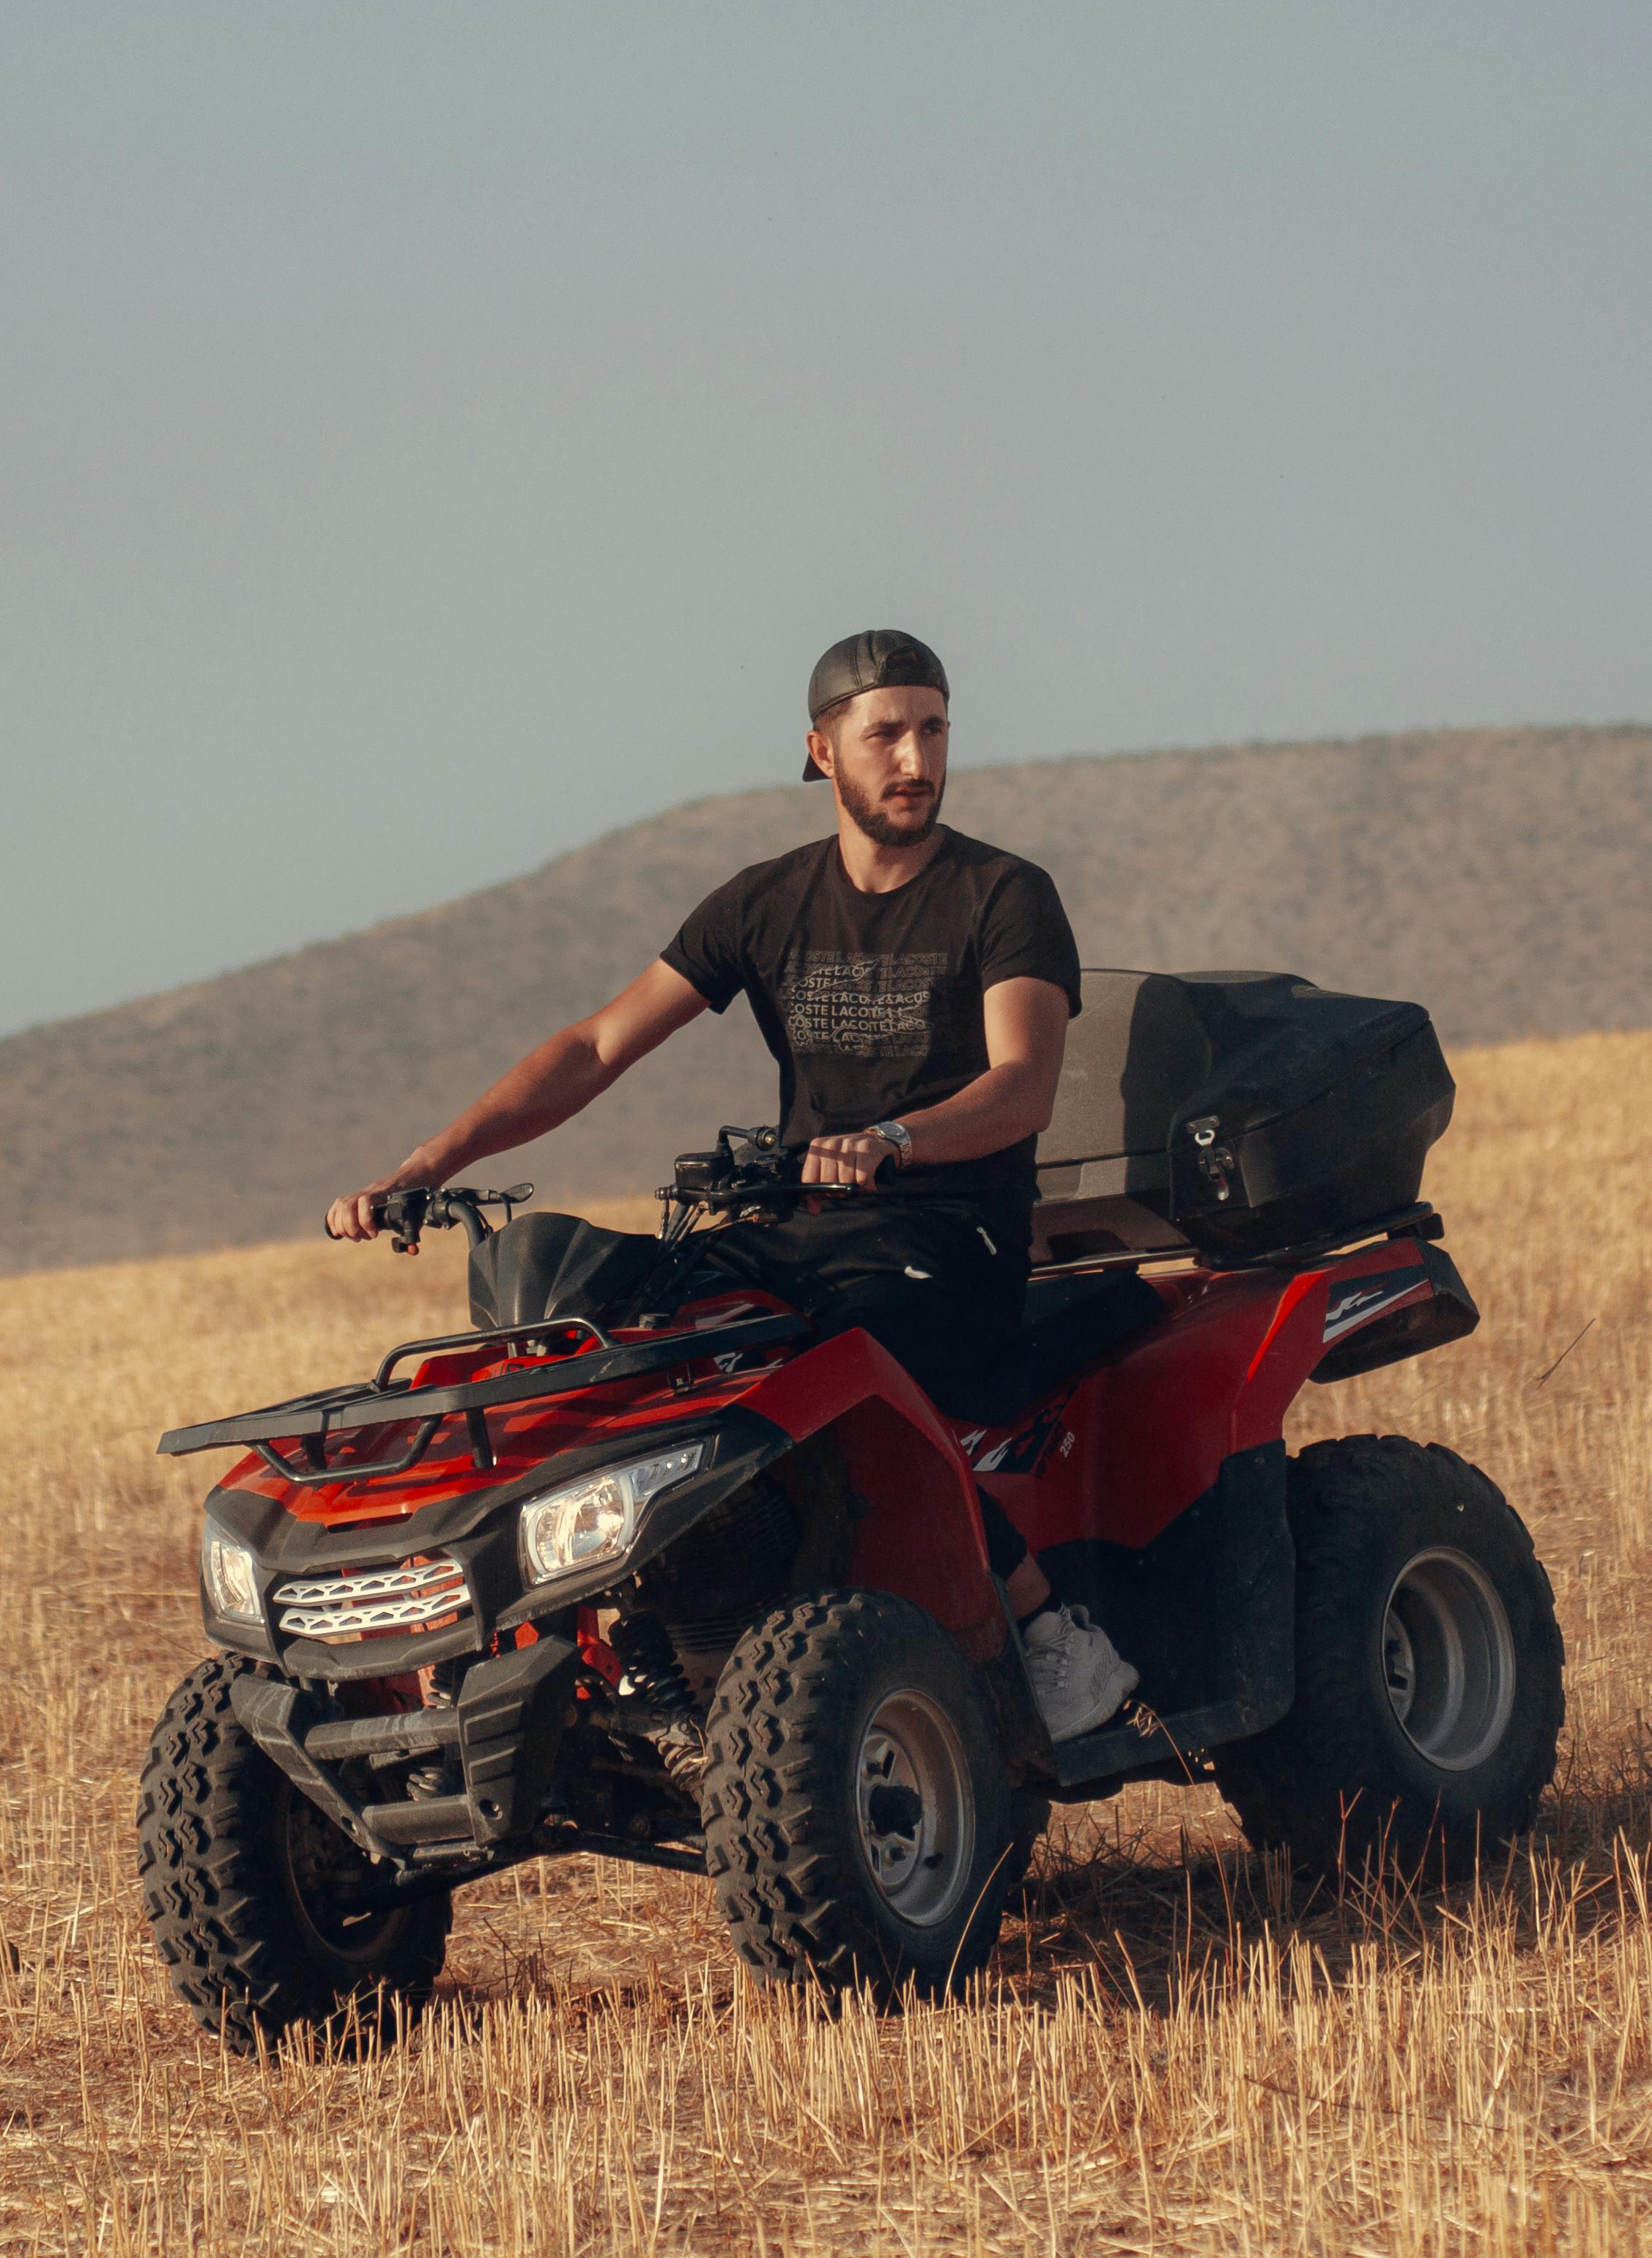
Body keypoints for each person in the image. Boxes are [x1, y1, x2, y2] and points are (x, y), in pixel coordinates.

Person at [327, 629, 1140, 1741]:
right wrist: (430, 1164)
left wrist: (892, 1139)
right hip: (803, 1235)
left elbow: (1023, 1088)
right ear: (822, 751)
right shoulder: (765, 903)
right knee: (608, 1318)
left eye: (934, 730)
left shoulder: (1003, 894)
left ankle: (1046, 1628)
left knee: (830, 1354)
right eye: (887, 735)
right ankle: (622, 1634)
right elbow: (596, 1047)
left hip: (951, 1240)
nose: (917, 760)